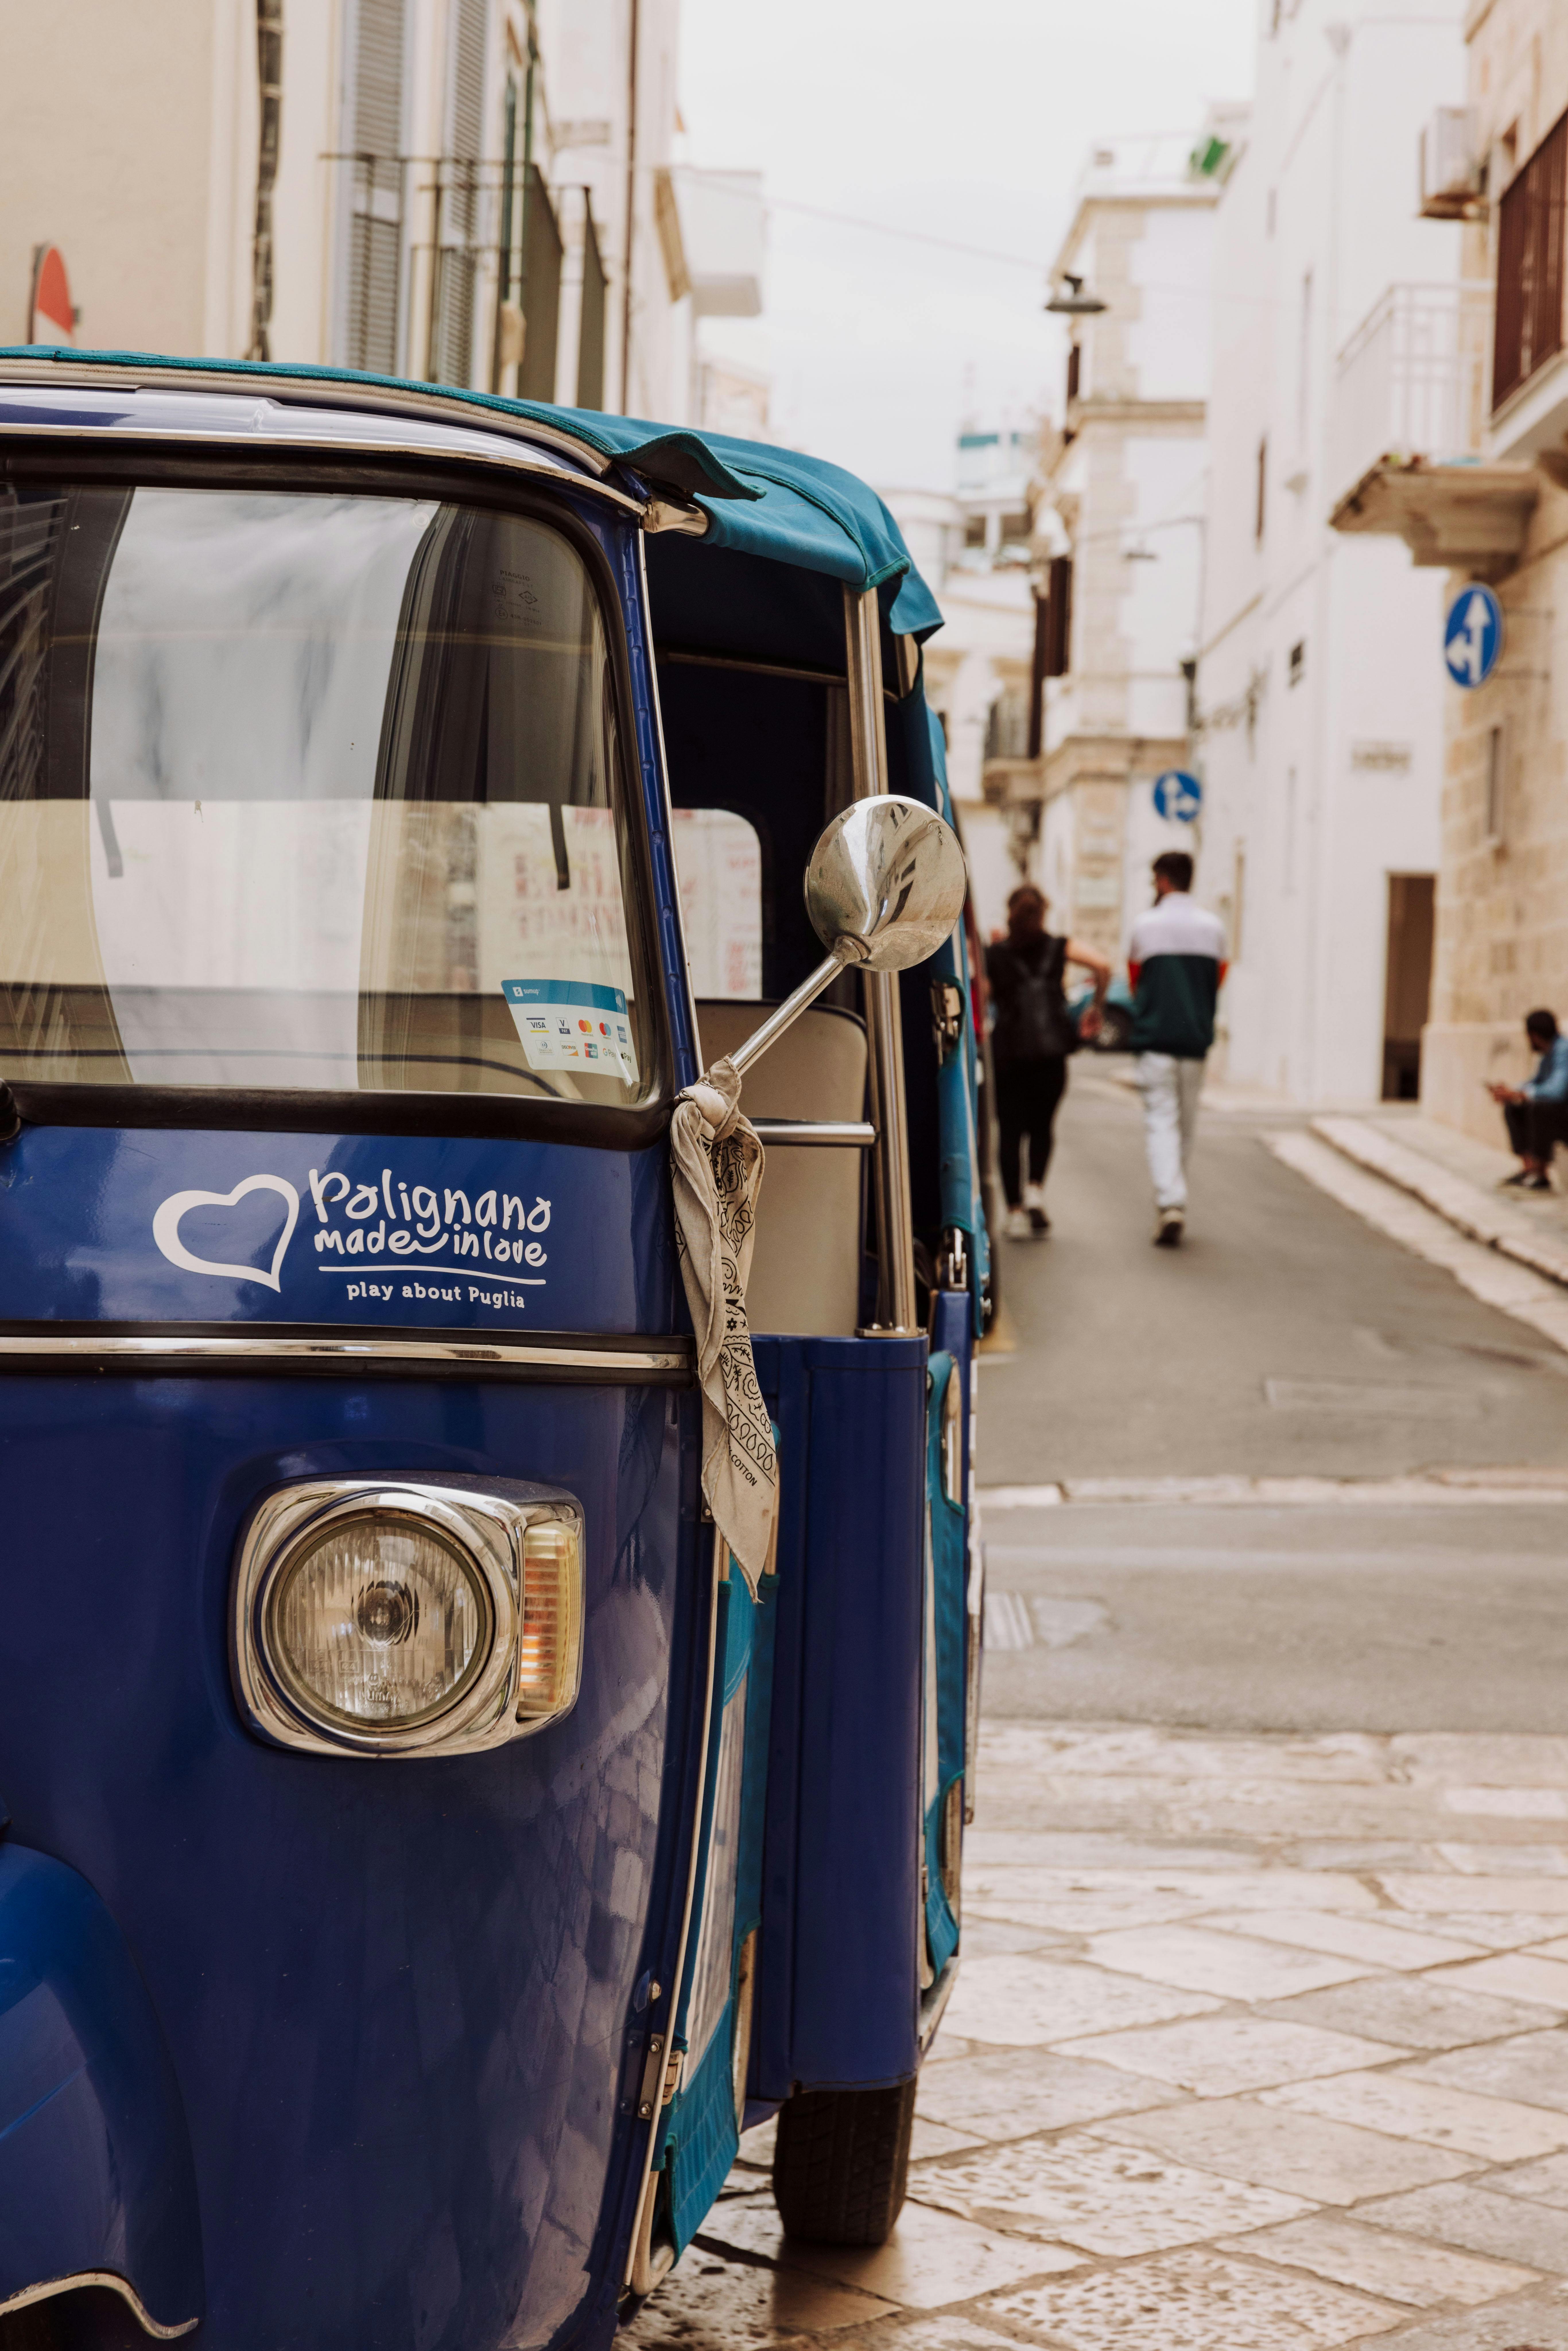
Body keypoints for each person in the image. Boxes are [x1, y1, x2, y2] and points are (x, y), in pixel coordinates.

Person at [986, 885, 1110, 1239]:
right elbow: (1102, 965)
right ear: (1042, 913)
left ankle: (1013, 1213)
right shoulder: (1058, 947)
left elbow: (982, 998)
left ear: (1010, 913)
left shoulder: (995, 954)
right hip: (1051, 1053)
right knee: (1042, 1126)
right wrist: (1095, 1008)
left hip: (1008, 1053)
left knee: (1010, 1132)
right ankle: (1035, 1193)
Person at [1127, 849, 1227, 1248]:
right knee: (1185, 1127)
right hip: (1195, 1042)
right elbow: (1217, 979)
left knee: (1161, 1122)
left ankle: (1171, 1200)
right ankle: (1172, 1201)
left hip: (1156, 1042)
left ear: (1165, 881)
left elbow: (1137, 983)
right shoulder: (1214, 928)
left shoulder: (1145, 926)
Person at [1487, 1009, 1568, 1190]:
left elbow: (1557, 1091)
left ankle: (1541, 1175)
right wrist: (1511, 1092)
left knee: (1540, 1108)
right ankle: (1529, 1169)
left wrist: (1522, 1095)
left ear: (1534, 1035)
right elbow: (1536, 1082)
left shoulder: (1564, 1051)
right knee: (1515, 1107)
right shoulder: (1549, 1054)